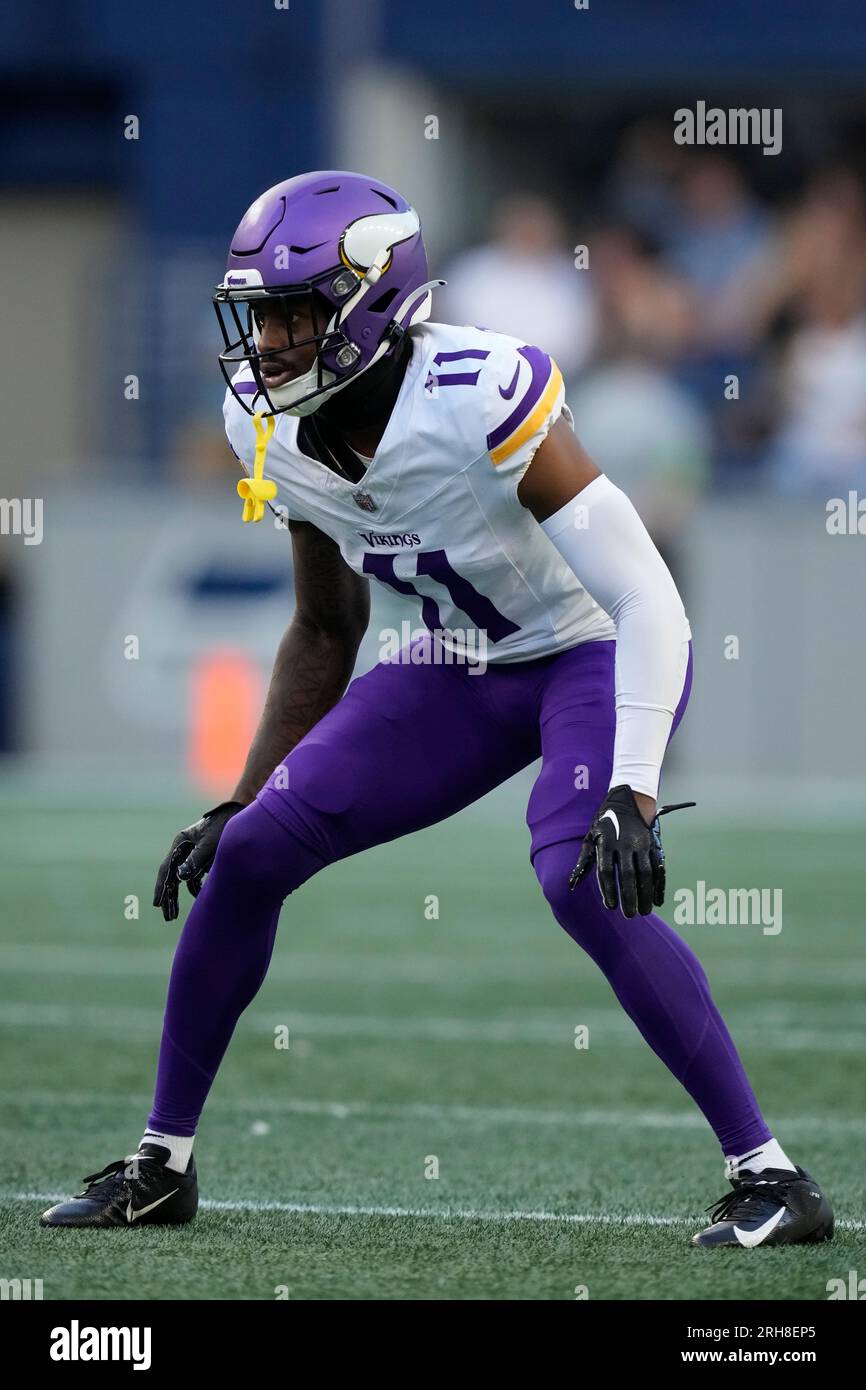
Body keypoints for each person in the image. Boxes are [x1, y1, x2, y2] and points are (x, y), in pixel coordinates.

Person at [42, 171, 833, 1249]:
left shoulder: (476, 391)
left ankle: (771, 1177)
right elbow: (326, 627)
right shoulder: (263, 425)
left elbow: (645, 593)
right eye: (258, 314)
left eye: (294, 312)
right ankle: (160, 1164)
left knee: (575, 872)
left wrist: (633, 789)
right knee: (250, 853)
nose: (266, 342)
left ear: (370, 304)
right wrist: (242, 793)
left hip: (586, 649)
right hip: (460, 659)